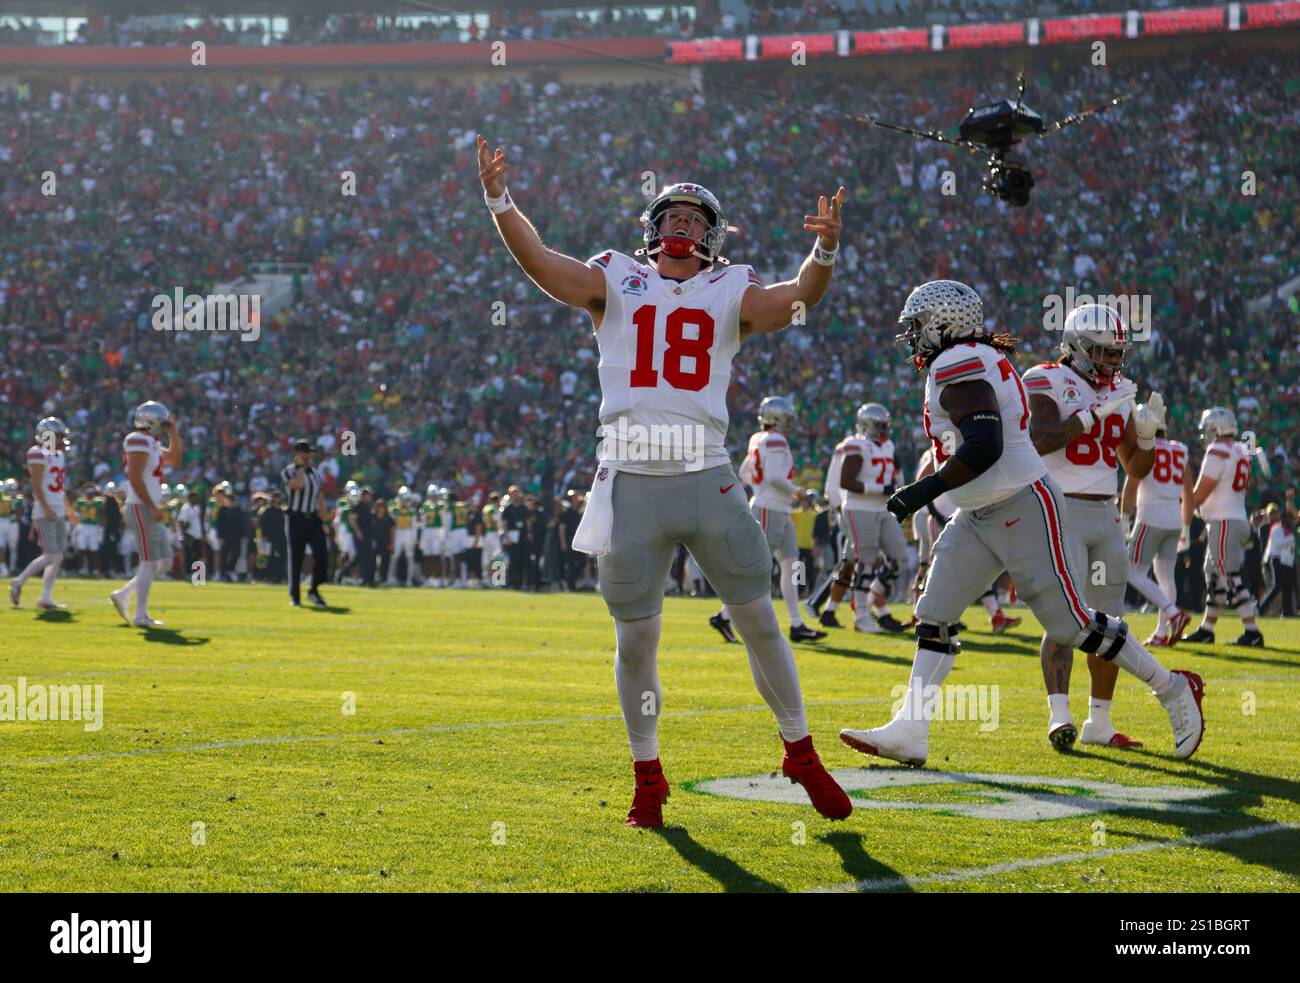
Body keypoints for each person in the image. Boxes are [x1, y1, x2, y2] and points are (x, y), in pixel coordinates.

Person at [480, 133, 851, 826]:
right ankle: (647, 773)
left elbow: (799, 297)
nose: (682, 224)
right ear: (652, 228)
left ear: (712, 234)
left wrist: (824, 250)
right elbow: (541, 263)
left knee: (760, 621)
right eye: (672, 215)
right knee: (636, 641)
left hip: (708, 474)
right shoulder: (614, 274)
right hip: (629, 479)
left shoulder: (730, 285)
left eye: (696, 218)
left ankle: (800, 750)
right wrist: (500, 201)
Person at [838, 280, 1206, 764]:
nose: (914, 336)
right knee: (935, 612)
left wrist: (920, 491)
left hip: (1020, 505)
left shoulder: (957, 361)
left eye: (919, 325)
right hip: (982, 509)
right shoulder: (978, 356)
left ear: (944, 324)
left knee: (1071, 624)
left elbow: (985, 445)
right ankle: (911, 729)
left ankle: (1172, 687)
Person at [1022, 304, 1168, 750]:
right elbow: (1039, 439)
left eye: (1117, 353)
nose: (1112, 363)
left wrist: (1147, 437)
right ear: (1078, 347)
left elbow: (1136, 469)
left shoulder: (1120, 388)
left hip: (1107, 514)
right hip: (1060, 508)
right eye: (1103, 352)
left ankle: (1099, 723)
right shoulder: (1044, 378)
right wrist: (1091, 416)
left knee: (1111, 622)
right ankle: (1059, 715)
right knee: (1065, 617)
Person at [710, 395, 825, 644]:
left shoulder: (758, 438)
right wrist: (798, 492)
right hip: (769, 510)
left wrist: (766, 490)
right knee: (755, 568)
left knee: (792, 564)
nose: (791, 423)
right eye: (788, 419)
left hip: (777, 509)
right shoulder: (775, 440)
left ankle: (796, 624)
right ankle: (723, 616)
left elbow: (745, 473)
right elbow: (773, 477)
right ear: (777, 418)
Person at [1185, 407, 1266, 646]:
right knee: (1214, 576)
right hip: (1233, 520)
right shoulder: (1241, 450)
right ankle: (1207, 629)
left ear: (1215, 428)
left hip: (1225, 523)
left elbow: (1200, 494)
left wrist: (1180, 505)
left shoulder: (1218, 450)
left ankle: (1252, 632)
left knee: (1230, 576)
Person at [109, 402, 181, 627]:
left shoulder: (151, 442)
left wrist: (174, 432)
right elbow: (134, 477)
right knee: (149, 561)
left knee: (165, 561)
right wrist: (151, 505)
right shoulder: (137, 439)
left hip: (148, 506)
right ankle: (140, 615)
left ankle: (124, 594)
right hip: (141, 506)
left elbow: (175, 460)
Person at [1121, 426, 1193, 646]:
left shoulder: (1145, 447)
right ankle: (1162, 632)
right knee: (1166, 578)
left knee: (1132, 571)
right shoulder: (1180, 449)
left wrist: (1124, 519)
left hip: (1150, 517)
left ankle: (1173, 614)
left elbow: (1131, 488)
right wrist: (1187, 527)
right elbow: (1188, 494)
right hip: (1174, 519)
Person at [10, 417, 76, 609]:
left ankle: (45, 597)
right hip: (44, 509)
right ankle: (18, 581)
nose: (61, 440)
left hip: (56, 507)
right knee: (51, 555)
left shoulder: (59, 456)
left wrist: (67, 508)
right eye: (58, 436)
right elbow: (37, 485)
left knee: (58, 556)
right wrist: (46, 508)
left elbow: (59, 487)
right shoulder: (37, 453)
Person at [281, 438, 330, 606]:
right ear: (298, 453)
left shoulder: (315, 473)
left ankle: (314, 590)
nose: (309, 455)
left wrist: (324, 522)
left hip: (313, 518)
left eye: (310, 452)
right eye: (306, 452)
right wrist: (301, 467)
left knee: (322, 554)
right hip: (296, 517)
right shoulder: (289, 471)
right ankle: (295, 596)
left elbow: (320, 497)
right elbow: (298, 485)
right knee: (296, 557)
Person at [1259, 502, 1295, 616]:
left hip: (1286, 561)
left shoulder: (1287, 530)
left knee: (1288, 587)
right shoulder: (1277, 529)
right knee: (1277, 585)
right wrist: (1291, 537)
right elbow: (1279, 544)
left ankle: (1287, 612)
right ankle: (1261, 607)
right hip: (1275, 559)